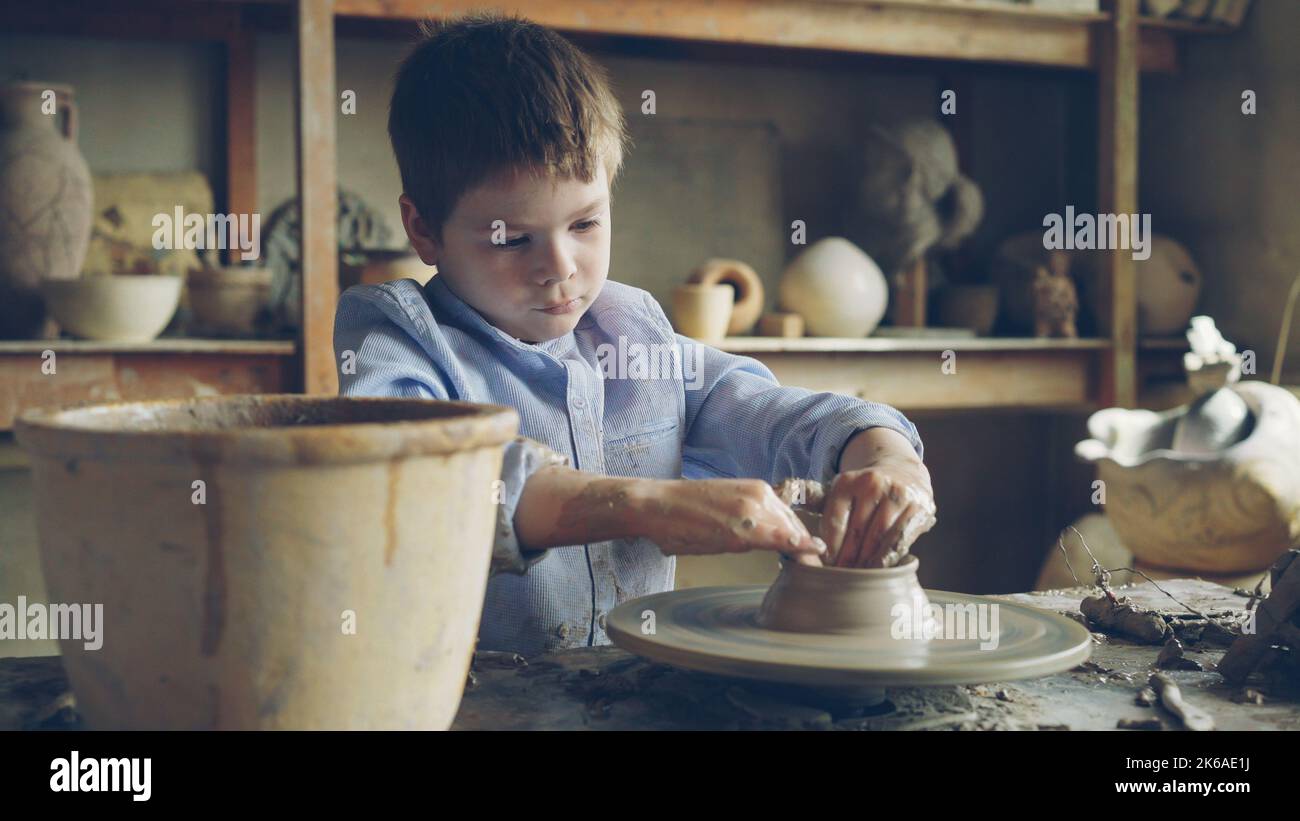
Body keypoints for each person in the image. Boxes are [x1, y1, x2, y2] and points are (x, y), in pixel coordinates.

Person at [334, 11, 936, 658]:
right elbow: (417, 479)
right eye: (513, 239)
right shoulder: (397, 334)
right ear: (423, 230)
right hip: (466, 704)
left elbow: (763, 412)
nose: (560, 268)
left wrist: (881, 452)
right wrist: (646, 504)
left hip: (628, 694)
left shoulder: (629, 331)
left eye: (586, 224)